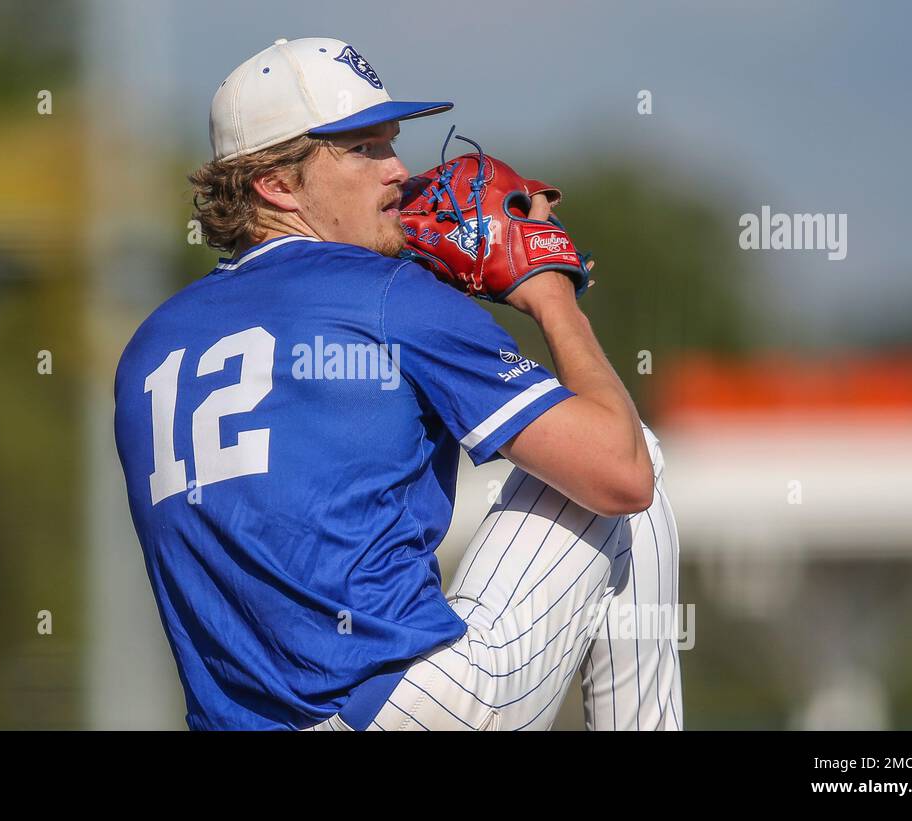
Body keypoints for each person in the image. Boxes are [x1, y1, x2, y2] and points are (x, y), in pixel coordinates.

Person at [114, 36, 683, 730]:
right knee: (633, 462)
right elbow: (618, 474)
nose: (399, 171)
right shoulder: (388, 294)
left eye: (391, 141)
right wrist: (549, 292)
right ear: (277, 183)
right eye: (363, 148)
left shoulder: (149, 345)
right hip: (401, 712)